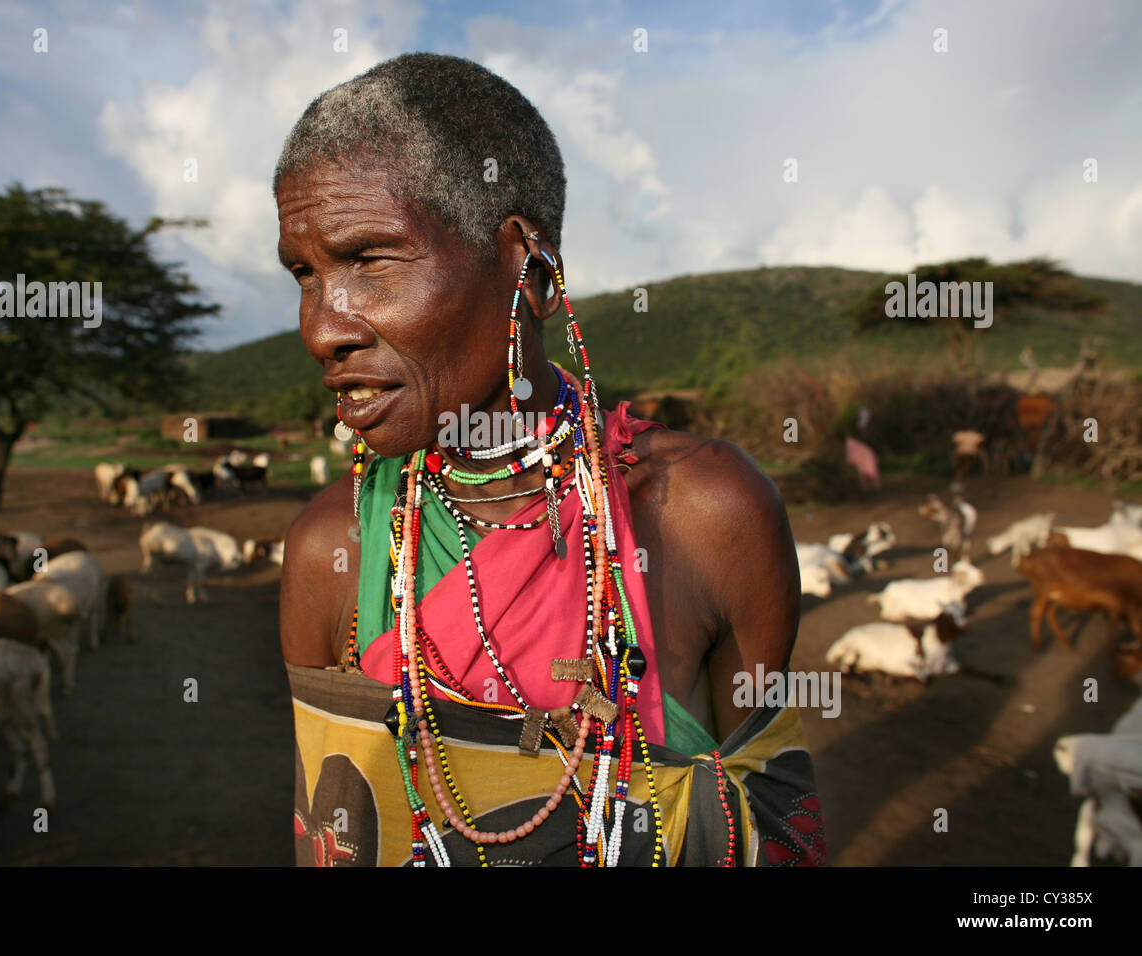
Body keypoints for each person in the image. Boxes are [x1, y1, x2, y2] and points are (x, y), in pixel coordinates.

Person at [274, 52, 825, 866]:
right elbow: (335, 836)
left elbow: (763, 834)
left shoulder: (704, 515)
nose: (324, 327)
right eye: (304, 274)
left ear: (524, 268)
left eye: (370, 259)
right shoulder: (333, 549)